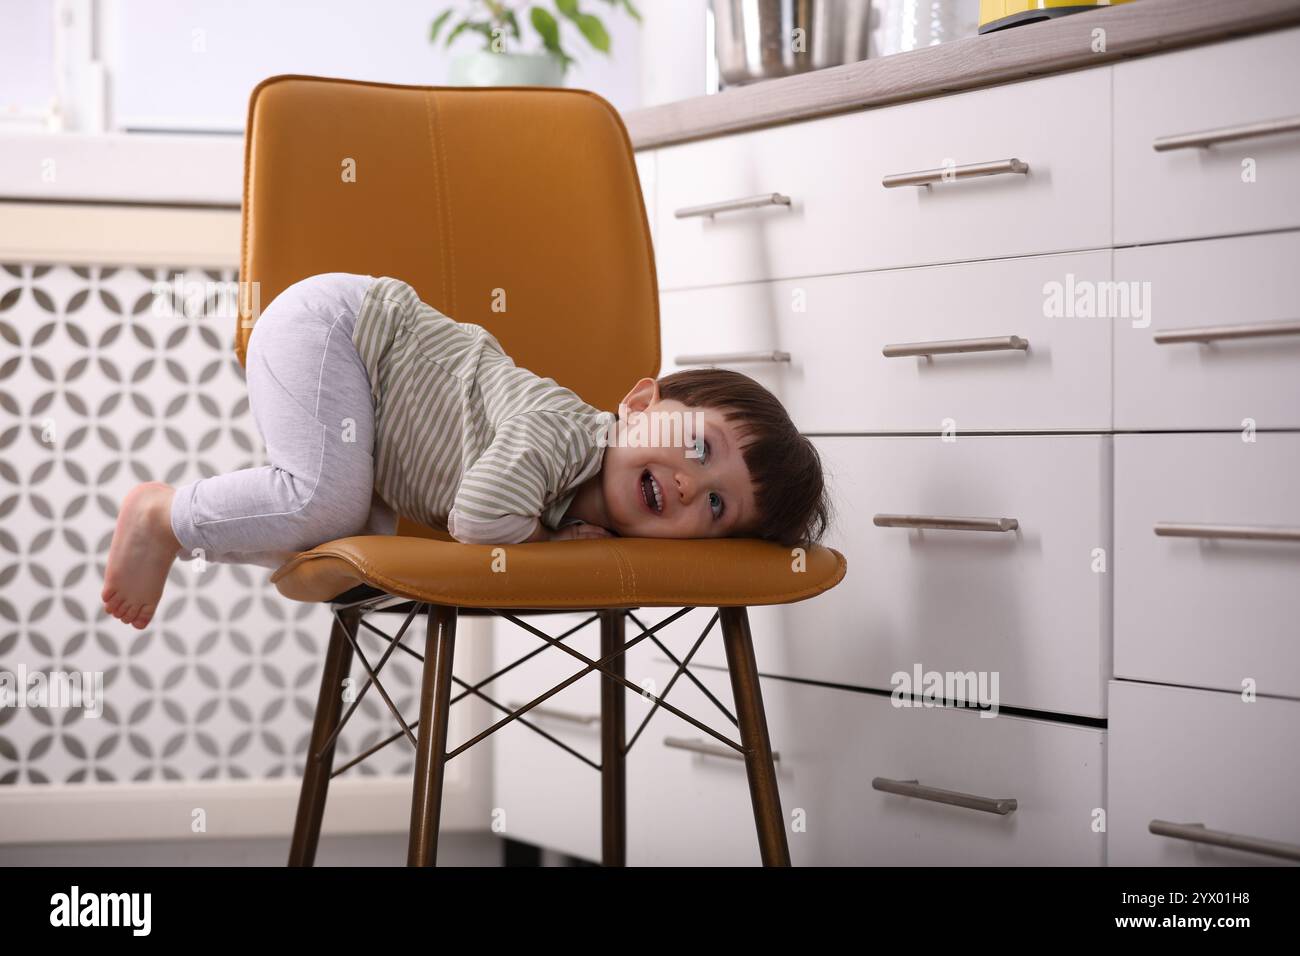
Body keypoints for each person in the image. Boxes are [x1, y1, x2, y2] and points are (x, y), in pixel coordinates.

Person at [100, 273, 831, 629]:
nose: (684, 483)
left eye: (715, 505)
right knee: (327, 503)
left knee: (345, 549)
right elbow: (479, 519)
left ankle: (196, 530)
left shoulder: (592, 503)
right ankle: (163, 515)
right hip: (340, 330)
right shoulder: (562, 432)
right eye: (696, 445)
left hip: (373, 416)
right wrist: (552, 540)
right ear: (637, 406)